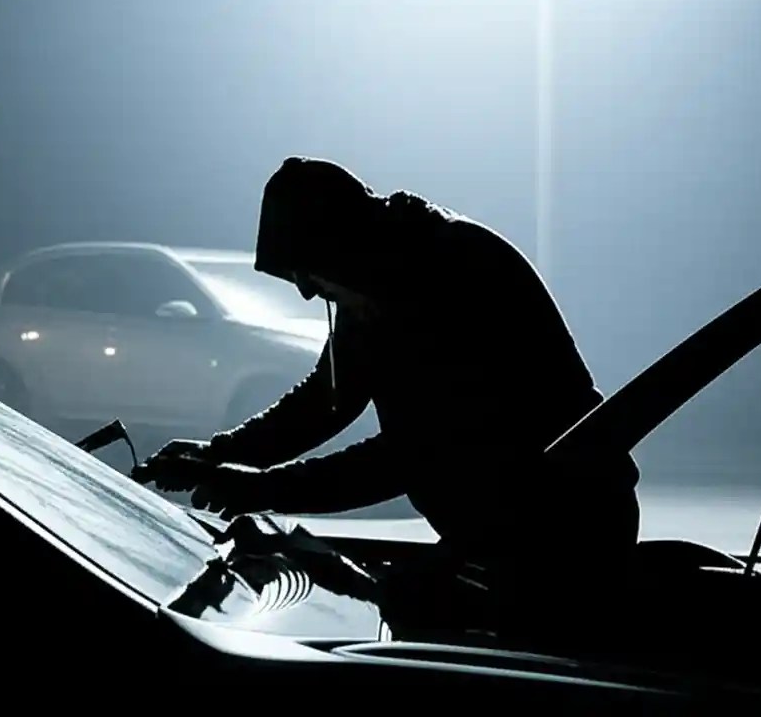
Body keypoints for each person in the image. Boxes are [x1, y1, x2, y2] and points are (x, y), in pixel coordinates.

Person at [132, 156, 644, 638]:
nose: (307, 293)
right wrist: (221, 453)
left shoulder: (456, 276)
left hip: (564, 536)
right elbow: (327, 400)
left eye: (306, 271)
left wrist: (261, 489)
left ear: (340, 242)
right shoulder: (375, 283)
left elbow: (414, 456)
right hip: (496, 533)